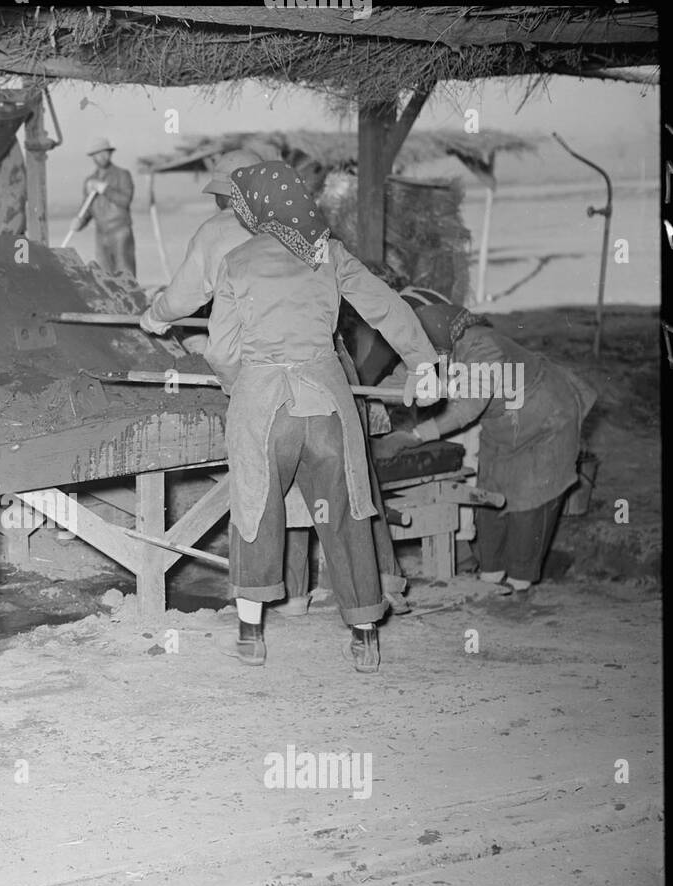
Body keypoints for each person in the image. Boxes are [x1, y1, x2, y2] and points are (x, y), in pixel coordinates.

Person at [140, 150, 411, 618]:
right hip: (326, 363)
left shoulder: (217, 235)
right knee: (350, 476)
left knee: (262, 487)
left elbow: (184, 301)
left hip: (260, 367)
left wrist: (155, 317)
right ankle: (382, 583)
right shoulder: (311, 233)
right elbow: (363, 297)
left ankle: (285, 599)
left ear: (230, 193)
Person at [203, 162, 439, 672]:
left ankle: (250, 635)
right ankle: (363, 634)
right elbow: (385, 305)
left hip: (264, 402)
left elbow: (222, 349)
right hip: (328, 403)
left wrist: (237, 387)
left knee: (254, 506)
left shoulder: (237, 260)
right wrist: (423, 361)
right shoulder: (327, 251)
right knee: (348, 507)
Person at [373, 298, 598, 592]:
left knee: (529, 502)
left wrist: (413, 436)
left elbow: (467, 408)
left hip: (547, 419)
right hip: (505, 424)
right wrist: (369, 400)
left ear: (438, 338)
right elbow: (401, 378)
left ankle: (520, 584)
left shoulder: (483, 348)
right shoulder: (436, 344)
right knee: (489, 494)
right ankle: (490, 575)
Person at [75, 137, 136, 279]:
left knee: (125, 274)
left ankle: (131, 301)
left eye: (105, 153)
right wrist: (80, 222)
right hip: (101, 234)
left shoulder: (122, 175)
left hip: (121, 232)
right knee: (105, 276)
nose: (102, 156)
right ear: (93, 157)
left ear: (110, 153)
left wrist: (104, 188)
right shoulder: (89, 181)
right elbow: (87, 208)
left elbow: (125, 201)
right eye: (98, 154)